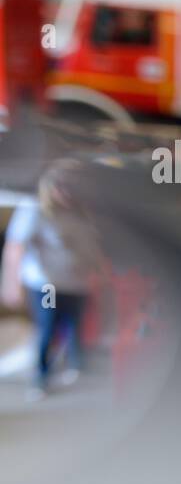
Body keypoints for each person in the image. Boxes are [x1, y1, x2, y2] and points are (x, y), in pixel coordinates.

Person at [1, 160, 106, 400]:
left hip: (76, 283)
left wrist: (98, 271)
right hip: (47, 284)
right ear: (50, 187)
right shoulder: (34, 208)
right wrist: (10, 282)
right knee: (48, 327)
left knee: (74, 326)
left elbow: (91, 247)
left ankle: (76, 368)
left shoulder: (82, 213)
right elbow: (16, 247)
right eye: (62, 187)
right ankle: (40, 378)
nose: (68, 193)